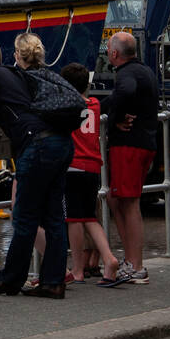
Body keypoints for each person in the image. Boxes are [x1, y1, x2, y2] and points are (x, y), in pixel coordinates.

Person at [0, 35, 73, 299]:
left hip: (36, 147)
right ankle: (53, 282)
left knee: (24, 216)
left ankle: (9, 281)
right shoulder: (17, 75)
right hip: (60, 143)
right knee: (54, 218)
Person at [60, 62, 126, 287]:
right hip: (93, 167)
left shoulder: (67, 106)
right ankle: (109, 258)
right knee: (90, 217)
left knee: (74, 220)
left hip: (73, 166)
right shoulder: (95, 104)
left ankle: (77, 269)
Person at [104, 31, 159, 285]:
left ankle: (135, 265)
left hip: (129, 145)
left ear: (115, 53)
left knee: (128, 203)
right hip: (144, 142)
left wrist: (114, 120)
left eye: (108, 49)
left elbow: (124, 92)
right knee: (118, 200)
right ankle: (131, 260)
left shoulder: (126, 75)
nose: (106, 52)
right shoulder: (145, 70)